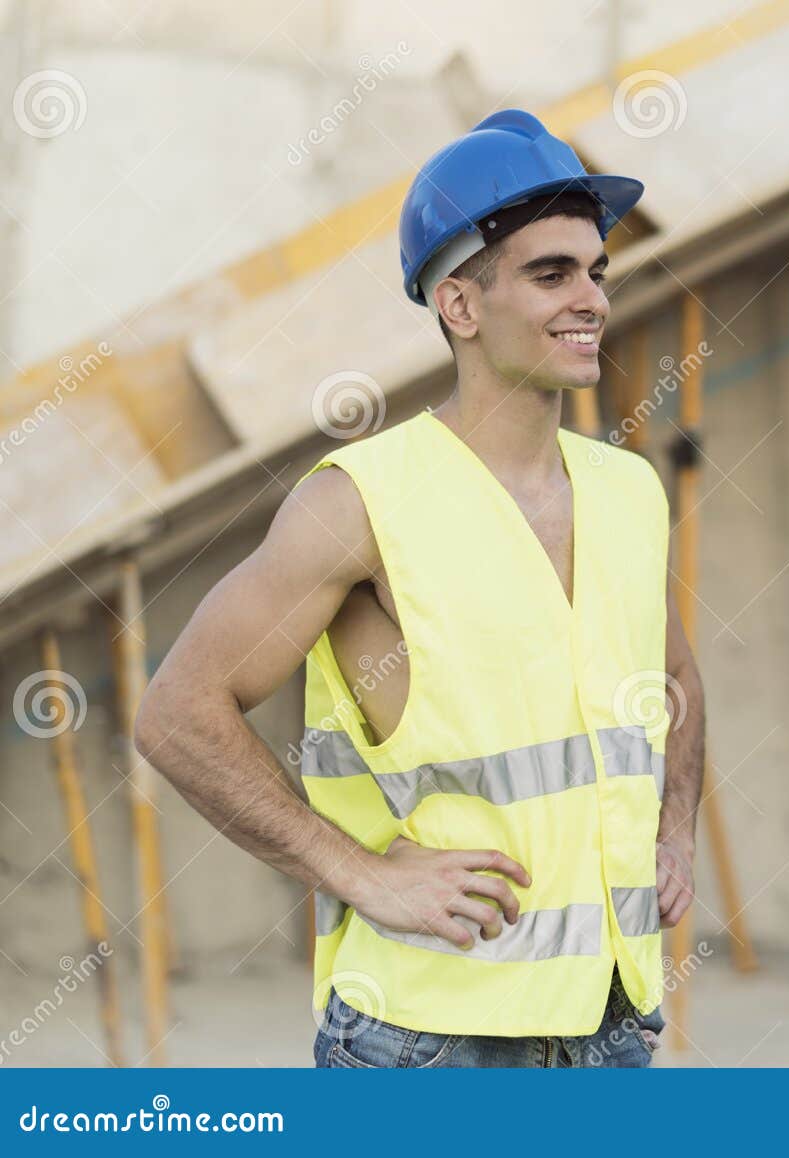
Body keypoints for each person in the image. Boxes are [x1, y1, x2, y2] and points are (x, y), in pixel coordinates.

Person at [135, 110, 703, 1068]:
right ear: (461, 305)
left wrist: (672, 827)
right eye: (551, 273)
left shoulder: (628, 490)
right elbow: (177, 713)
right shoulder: (362, 501)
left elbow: (675, 684)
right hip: (425, 1042)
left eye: (596, 271)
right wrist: (355, 873)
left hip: (612, 1026)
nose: (592, 299)